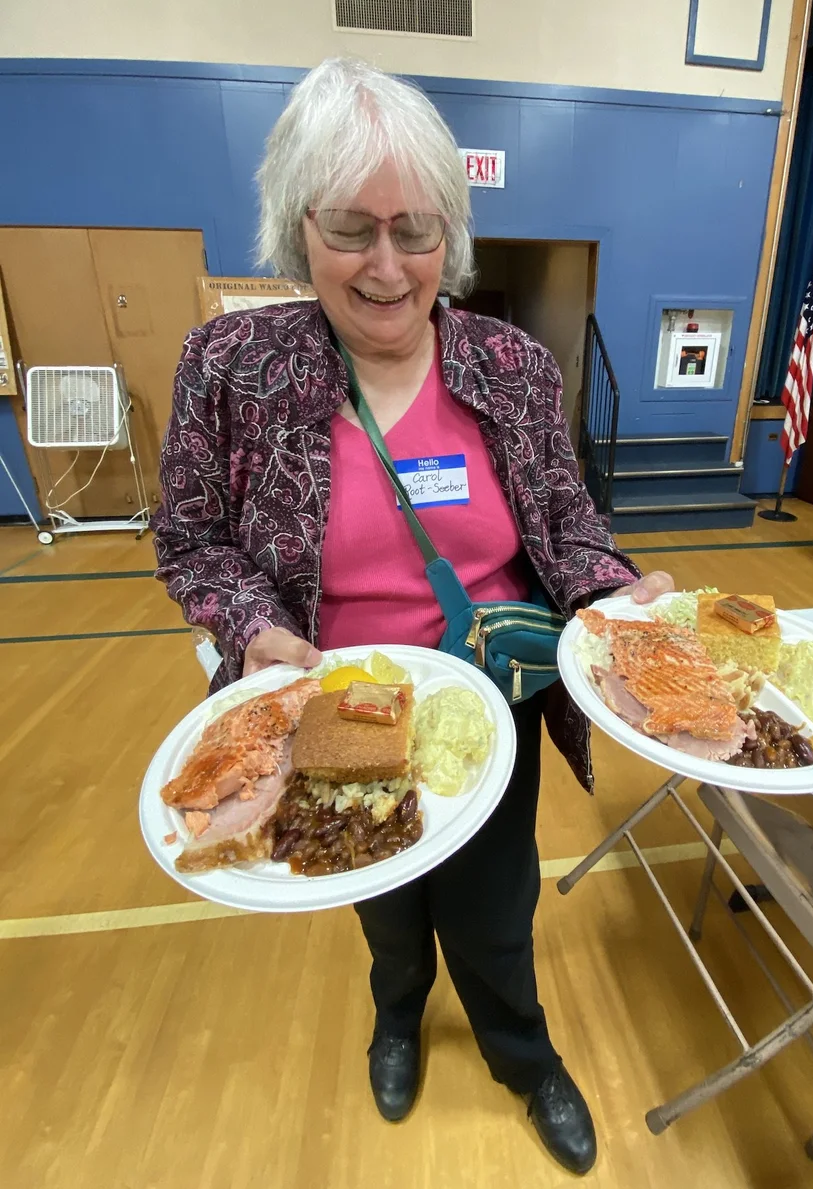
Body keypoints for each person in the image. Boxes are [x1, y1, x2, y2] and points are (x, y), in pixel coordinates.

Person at [152, 58, 675, 1176]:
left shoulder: (513, 367)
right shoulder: (232, 366)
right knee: (378, 902)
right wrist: (254, 625)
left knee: (494, 910)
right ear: (299, 232)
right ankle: (397, 1018)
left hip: (491, 703)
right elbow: (188, 541)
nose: (386, 266)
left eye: (414, 229)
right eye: (351, 228)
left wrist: (605, 589)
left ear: (451, 235)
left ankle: (523, 1057)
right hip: (330, 707)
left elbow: (566, 521)